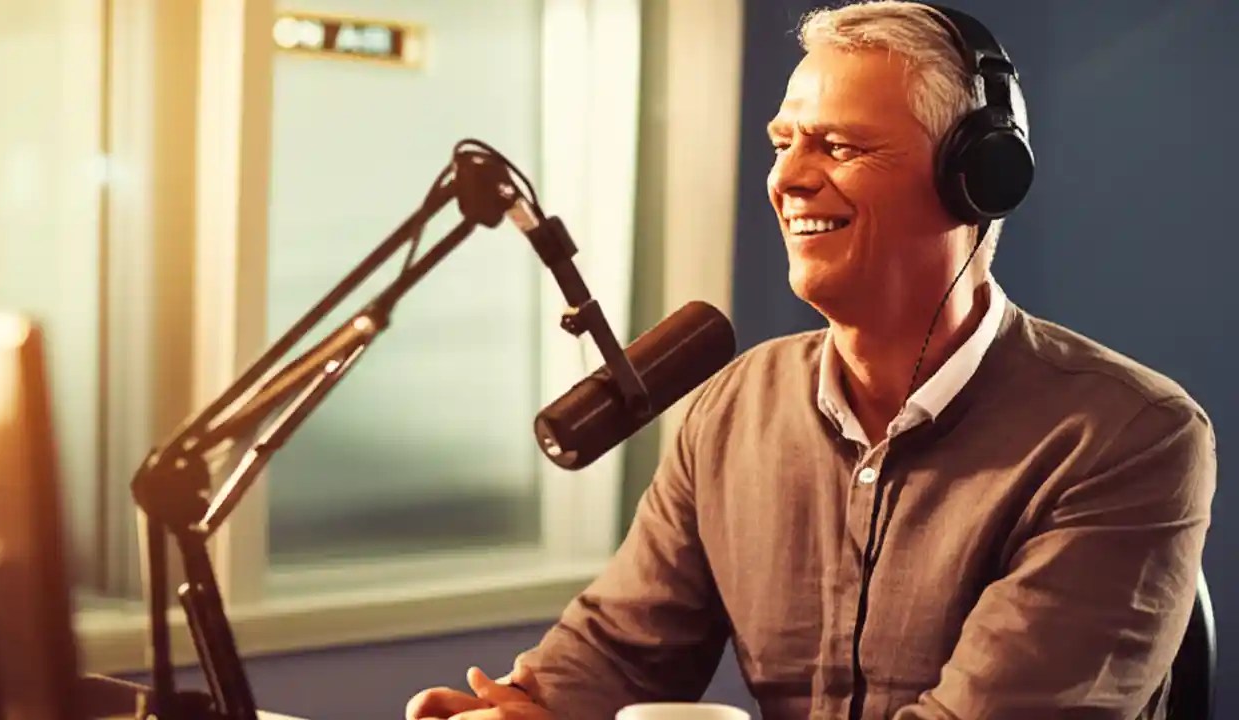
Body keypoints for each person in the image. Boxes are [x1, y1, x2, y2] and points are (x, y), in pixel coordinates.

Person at [406, 2, 1216, 719]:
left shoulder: (1127, 436)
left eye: (838, 146)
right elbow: (622, 649)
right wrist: (531, 708)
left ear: (974, 180)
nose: (787, 178)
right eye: (783, 142)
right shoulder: (732, 408)